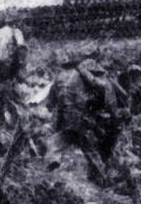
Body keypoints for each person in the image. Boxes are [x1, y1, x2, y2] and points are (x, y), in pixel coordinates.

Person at [45, 49, 131, 182]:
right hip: (79, 117)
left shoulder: (59, 77)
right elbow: (100, 89)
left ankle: (51, 167)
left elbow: (50, 101)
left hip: (62, 118)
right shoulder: (82, 75)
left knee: (58, 142)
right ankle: (101, 176)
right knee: (88, 147)